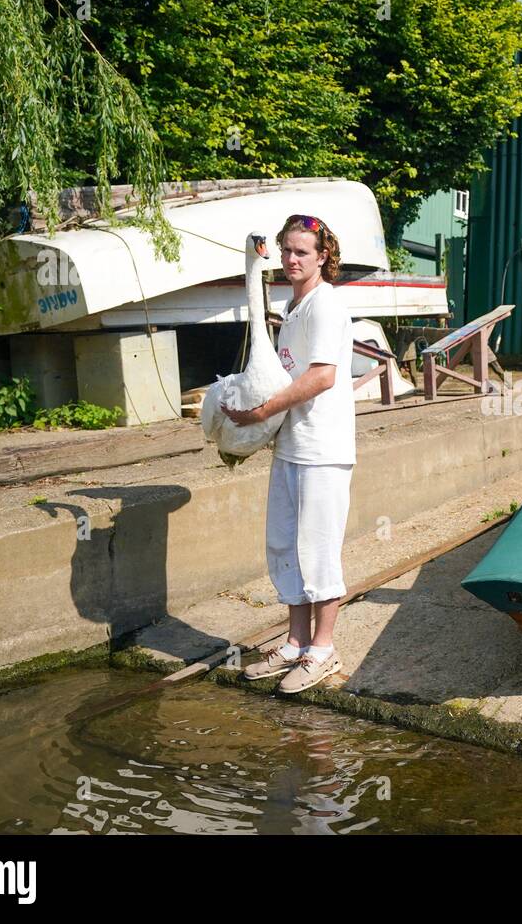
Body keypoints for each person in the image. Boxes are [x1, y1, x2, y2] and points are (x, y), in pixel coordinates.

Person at [222, 214, 355, 694]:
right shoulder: (293, 308)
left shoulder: (325, 306)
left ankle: (323, 649)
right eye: (286, 251)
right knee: (286, 545)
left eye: (302, 252)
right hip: (293, 446)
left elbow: (322, 376)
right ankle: (296, 642)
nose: (292, 259)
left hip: (323, 448)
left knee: (318, 550)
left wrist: (262, 414)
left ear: (322, 256)